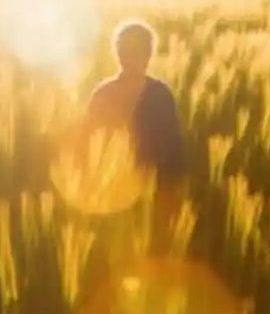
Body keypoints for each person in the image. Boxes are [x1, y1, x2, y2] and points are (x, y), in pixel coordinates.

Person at [78, 19, 188, 254]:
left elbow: (174, 150)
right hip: (112, 196)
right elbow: (87, 144)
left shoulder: (161, 95)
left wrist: (172, 194)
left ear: (149, 55)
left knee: (152, 253)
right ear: (118, 54)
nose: (134, 58)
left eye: (140, 52)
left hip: (154, 196)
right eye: (127, 52)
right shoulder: (104, 94)